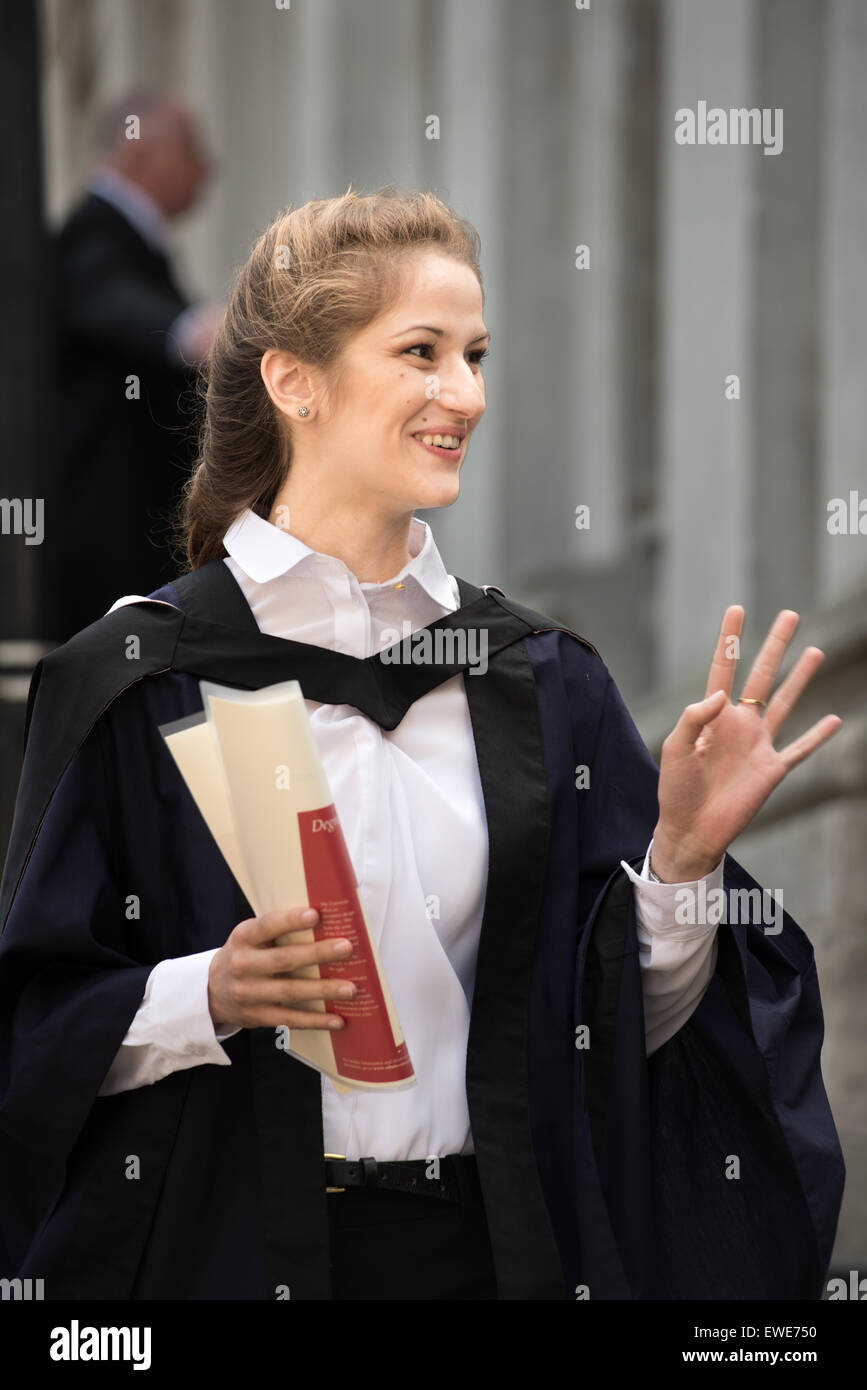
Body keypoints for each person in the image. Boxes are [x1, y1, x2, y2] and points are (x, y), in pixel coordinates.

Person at [0, 188, 845, 1301]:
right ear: (295, 382)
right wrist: (211, 991)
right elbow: (33, 1038)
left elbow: (617, 1039)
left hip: (491, 1260)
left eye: (476, 355)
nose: (466, 395)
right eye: (421, 353)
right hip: (228, 1258)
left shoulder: (539, 682)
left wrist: (682, 860)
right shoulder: (139, 681)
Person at [43, 92, 220, 643]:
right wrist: (208, 333)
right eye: (192, 149)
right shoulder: (93, 235)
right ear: (143, 153)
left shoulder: (128, 239)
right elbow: (124, 310)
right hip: (106, 537)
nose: (209, 167)